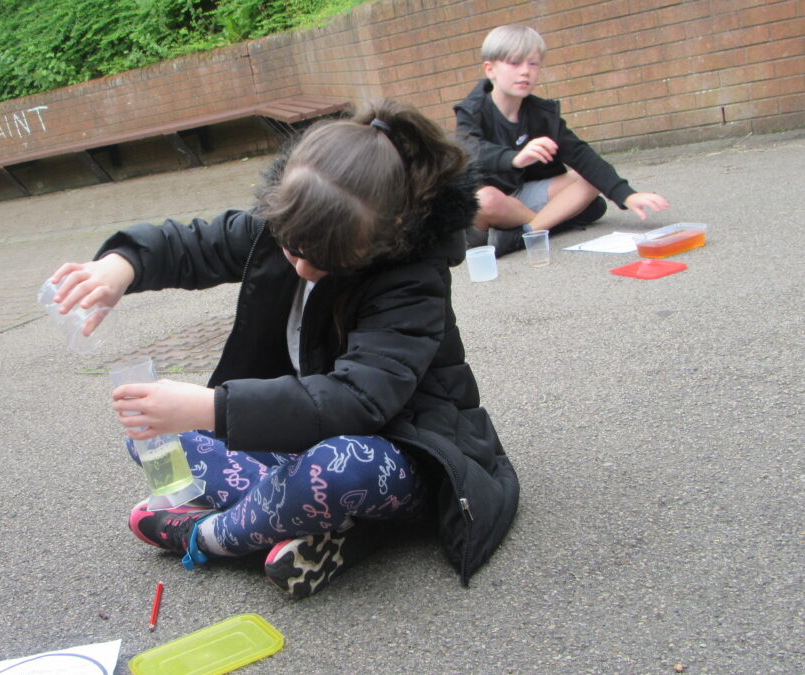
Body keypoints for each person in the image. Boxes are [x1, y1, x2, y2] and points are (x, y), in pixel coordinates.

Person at [48, 99, 518, 598]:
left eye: (325, 260)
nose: (301, 266)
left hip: (400, 452)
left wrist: (210, 407)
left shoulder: (412, 282)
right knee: (154, 434)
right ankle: (320, 525)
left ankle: (211, 535)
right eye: (293, 248)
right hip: (305, 435)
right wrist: (121, 266)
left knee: (334, 469)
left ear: (388, 236)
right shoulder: (286, 226)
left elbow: (354, 402)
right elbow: (192, 245)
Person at [454, 24, 669, 256]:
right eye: (514, 63)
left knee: (588, 178)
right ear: (490, 69)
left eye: (533, 63)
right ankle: (562, 217)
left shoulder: (541, 114)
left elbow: (581, 155)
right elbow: (468, 151)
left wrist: (626, 194)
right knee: (485, 199)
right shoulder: (472, 110)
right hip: (495, 201)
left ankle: (525, 233)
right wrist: (514, 158)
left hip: (530, 195)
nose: (525, 71)